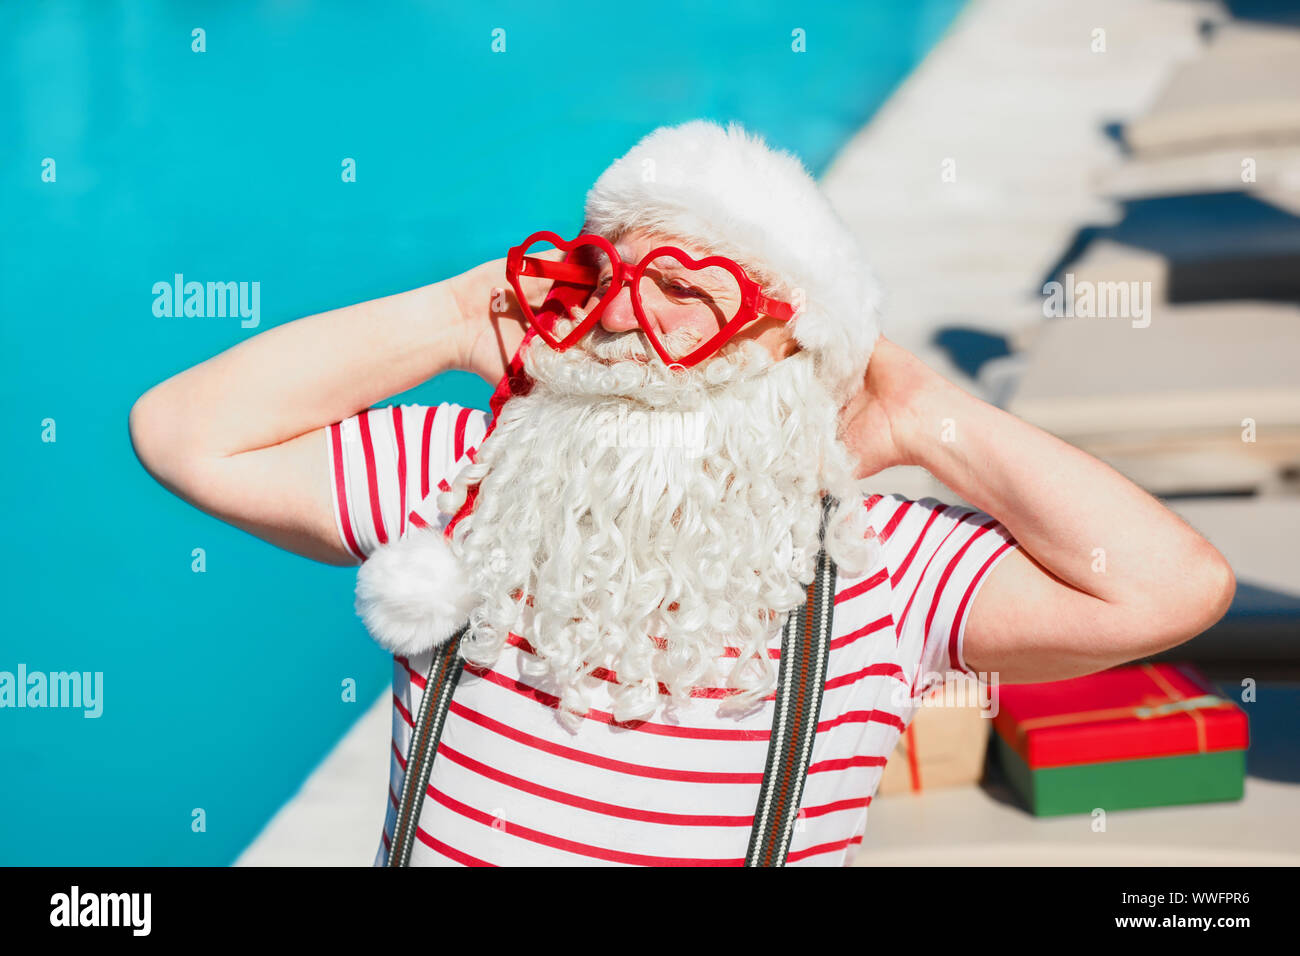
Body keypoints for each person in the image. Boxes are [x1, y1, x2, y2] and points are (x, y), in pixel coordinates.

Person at [129, 119, 1235, 866]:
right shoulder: (457, 476)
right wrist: (456, 318)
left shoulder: (876, 560)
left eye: (677, 292)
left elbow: (1163, 588)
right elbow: (181, 434)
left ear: (786, 338)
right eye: (599, 279)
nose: (615, 319)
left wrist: (922, 415)